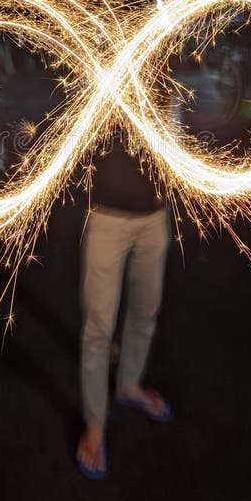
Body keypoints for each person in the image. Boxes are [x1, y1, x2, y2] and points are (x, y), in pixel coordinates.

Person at [76, 131, 172, 480]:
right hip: (107, 216)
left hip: (155, 215)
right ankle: (95, 427)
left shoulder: (163, 77)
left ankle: (129, 386)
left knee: (146, 311)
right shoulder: (102, 76)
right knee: (99, 328)